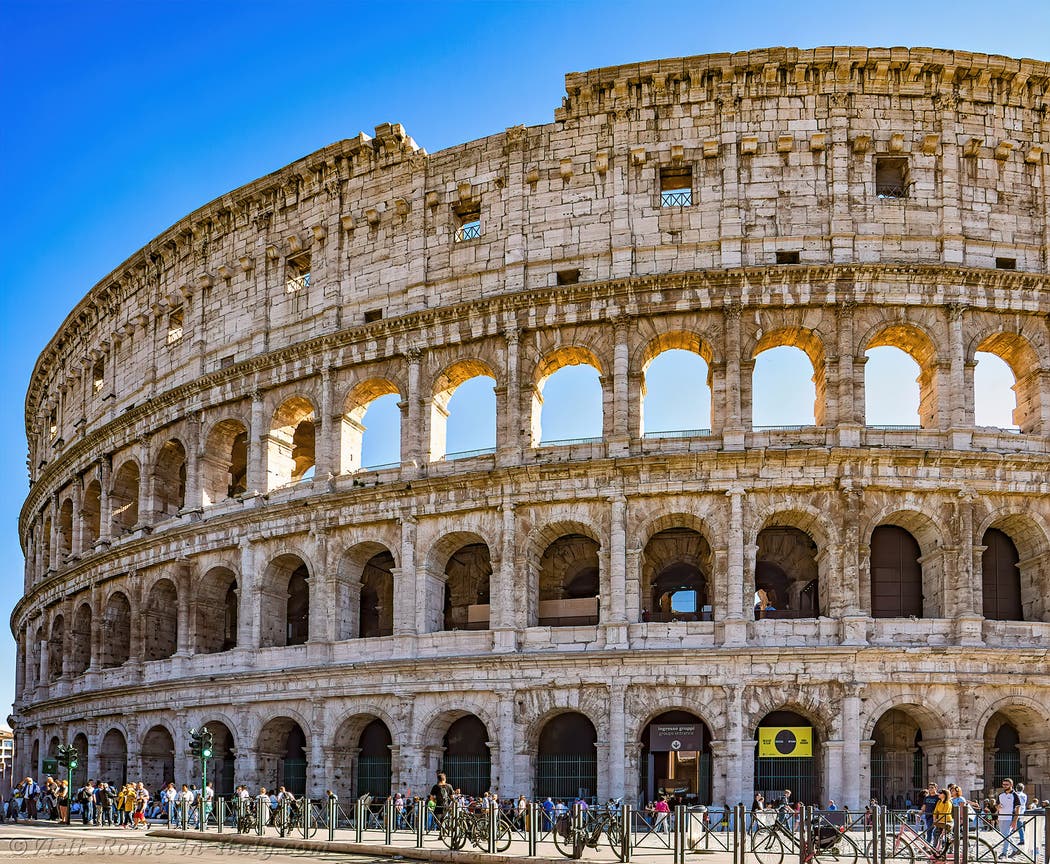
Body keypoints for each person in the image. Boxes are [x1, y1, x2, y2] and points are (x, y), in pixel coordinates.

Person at [996, 778, 1022, 858]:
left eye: (1006, 784)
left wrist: (1015, 821)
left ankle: (1004, 853)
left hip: (1010, 818)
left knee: (1006, 836)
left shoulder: (1015, 795)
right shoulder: (1000, 795)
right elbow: (997, 806)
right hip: (1001, 818)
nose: (1004, 786)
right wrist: (998, 807)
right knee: (1005, 835)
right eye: (1003, 784)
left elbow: (1018, 809)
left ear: (1011, 785)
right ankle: (1015, 850)